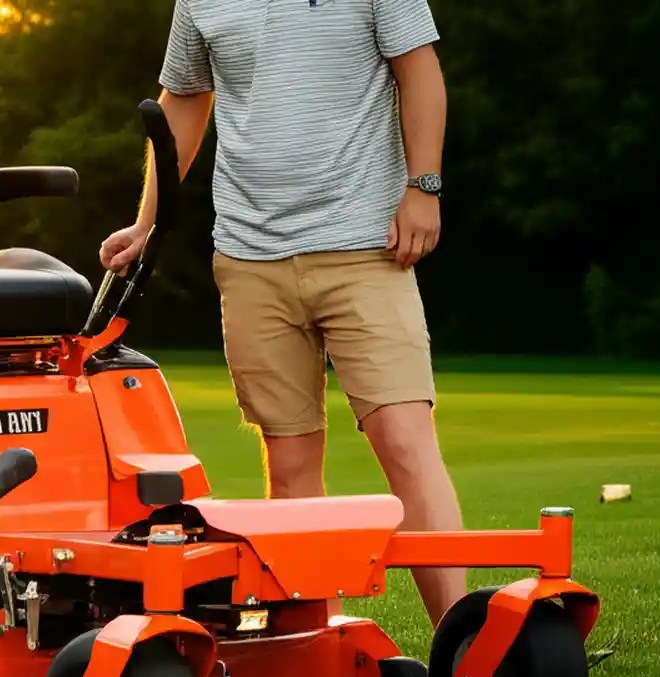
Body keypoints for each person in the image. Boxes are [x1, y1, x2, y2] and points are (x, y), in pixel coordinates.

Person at [101, 0, 463, 626]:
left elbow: (419, 70)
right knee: (290, 464)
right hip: (250, 259)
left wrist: (423, 187)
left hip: (366, 249)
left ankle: (468, 653)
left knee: (405, 441)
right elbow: (183, 102)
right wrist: (148, 222)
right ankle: (313, 645)